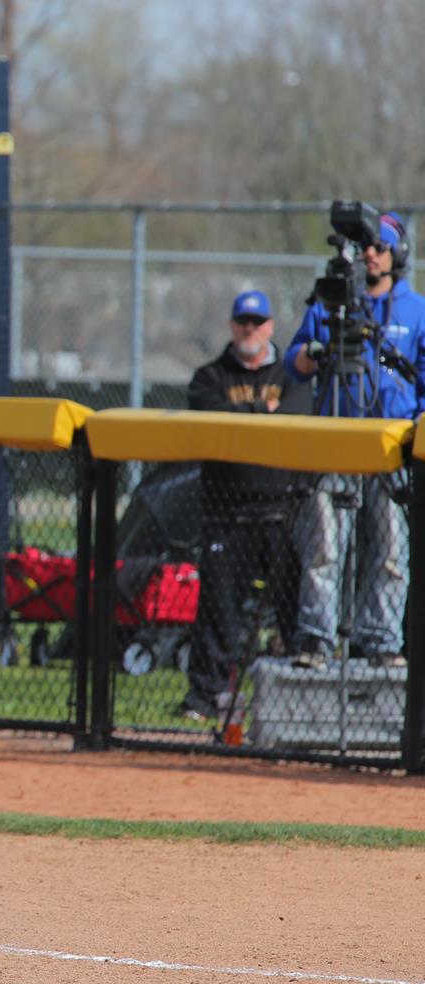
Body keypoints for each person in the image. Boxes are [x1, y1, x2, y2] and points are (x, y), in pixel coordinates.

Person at [284, 213, 425, 671]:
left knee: (389, 551)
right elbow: (294, 362)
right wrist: (313, 353)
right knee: (325, 546)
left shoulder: (415, 310)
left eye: (380, 248)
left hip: (389, 448)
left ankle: (380, 638)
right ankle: (316, 637)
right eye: (365, 248)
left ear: (397, 254)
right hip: (336, 440)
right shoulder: (333, 304)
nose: (370, 255)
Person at [177, 290, 311, 720]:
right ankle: (206, 696)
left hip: (282, 512)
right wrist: (262, 412)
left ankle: (296, 692)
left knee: (293, 606)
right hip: (226, 515)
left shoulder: (291, 376)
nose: (249, 330)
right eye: (242, 322)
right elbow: (211, 418)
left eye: (257, 322)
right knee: (217, 608)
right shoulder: (210, 376)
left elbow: (295, 416)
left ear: (271, 326)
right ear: (233, 326)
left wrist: (250, 418)